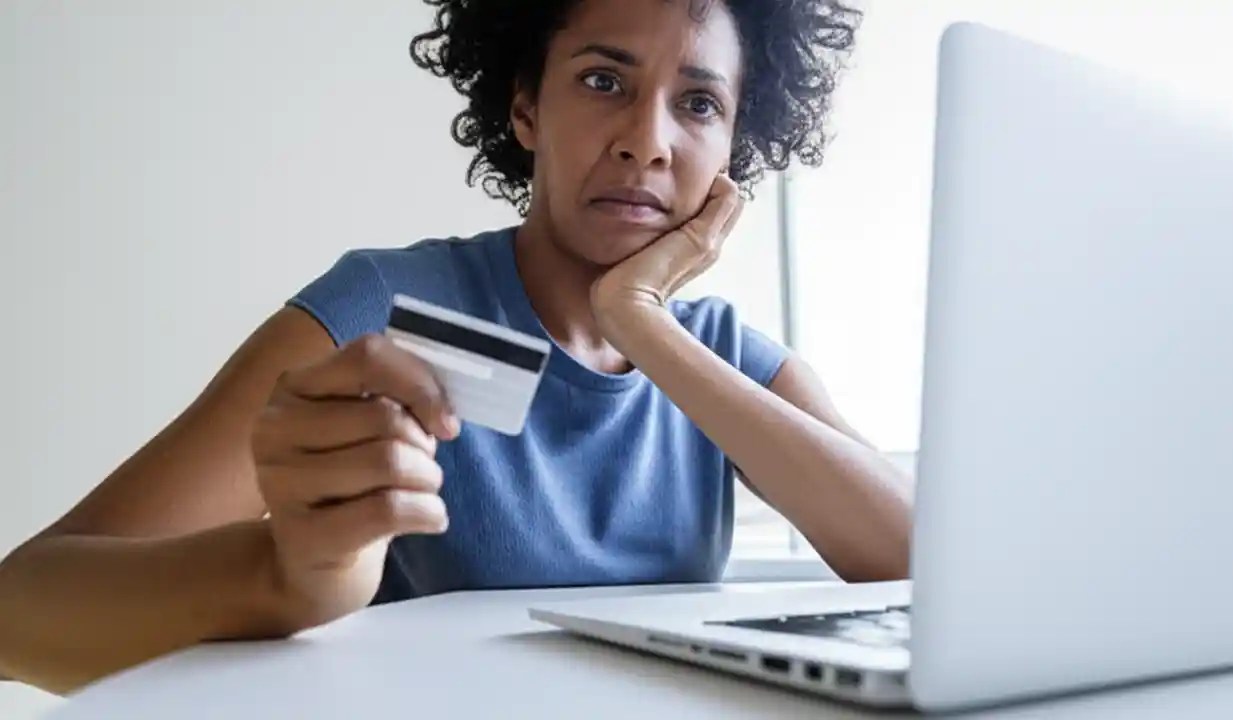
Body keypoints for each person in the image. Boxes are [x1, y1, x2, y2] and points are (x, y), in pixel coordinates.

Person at [0, 0, 912, 694]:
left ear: (731, 158)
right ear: (523, 109)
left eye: (700, 104)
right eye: (604, 81)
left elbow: (925, 562)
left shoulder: (720, 359)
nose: (647, 141)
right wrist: (287, 577)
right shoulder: (385, 305)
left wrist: (642, 320)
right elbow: (20, 610)